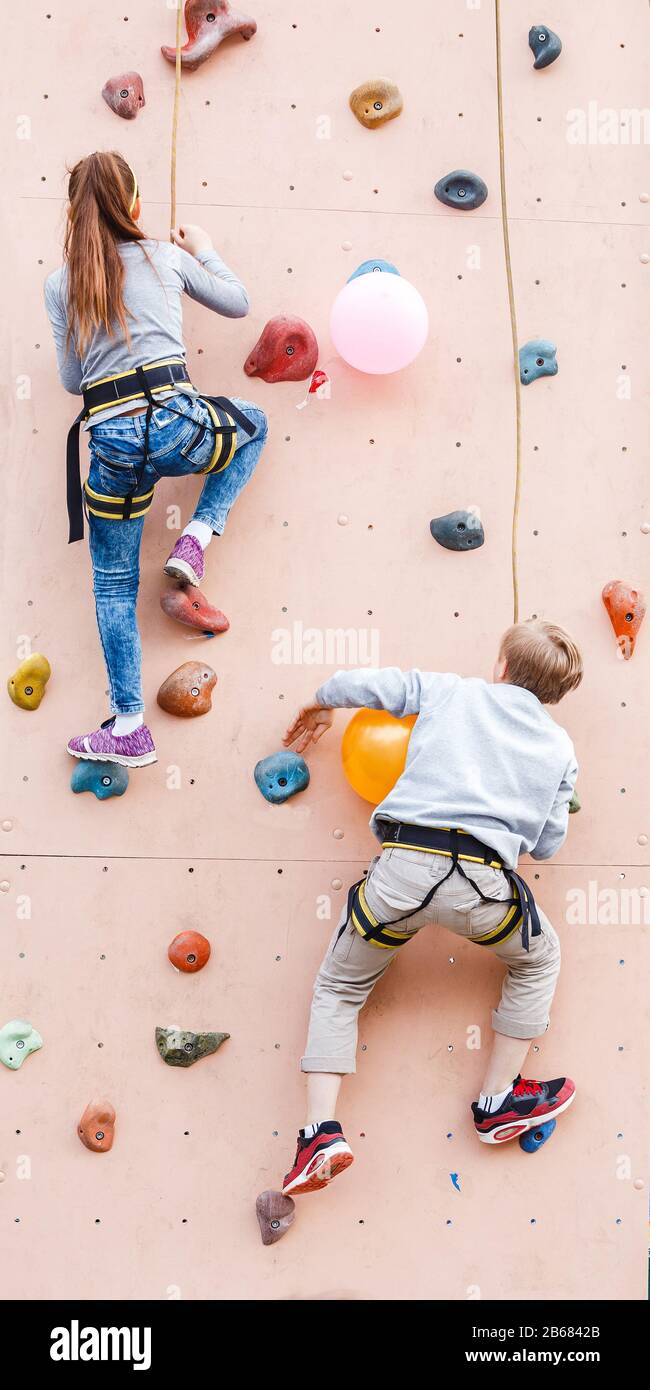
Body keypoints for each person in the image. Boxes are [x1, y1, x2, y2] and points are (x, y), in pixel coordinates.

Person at [281, 618, 582, 1195]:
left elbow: (371, 685)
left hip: (403, 872)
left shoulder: (451, 691)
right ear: (555, 695)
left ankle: (319, 1132)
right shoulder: (559, 746)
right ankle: (497, 1100)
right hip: (484, 887)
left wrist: (319, 700)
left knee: (340, 988)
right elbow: (545, 844)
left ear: (500, 667)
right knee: (538, 959)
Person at [44, 150, 268, 767]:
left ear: (73, 214)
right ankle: (197, 535)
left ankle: (130, 725)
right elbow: (238, 301)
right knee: (254, 424)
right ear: (135, 204)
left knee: (113, 584)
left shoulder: (60, 283)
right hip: (178, 425)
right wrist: (204, 247)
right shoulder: (166, 257)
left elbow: (70, 379)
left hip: (112, 442)